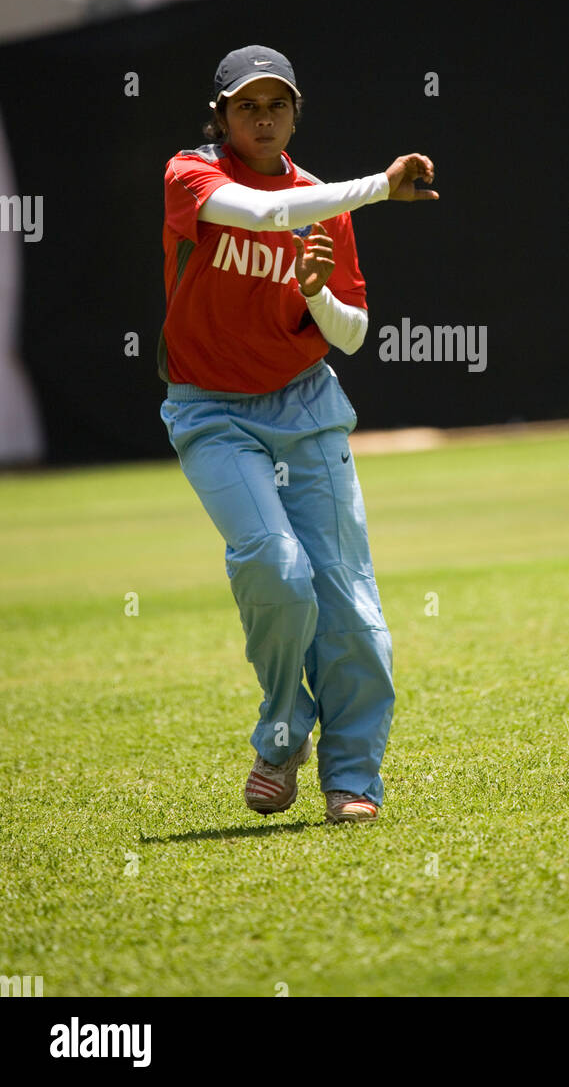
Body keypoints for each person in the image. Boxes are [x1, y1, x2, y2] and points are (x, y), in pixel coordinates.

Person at [158, 45, 438, 824]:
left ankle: (353, 779)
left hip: (307, 407)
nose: (263, 118)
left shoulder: (323, 200)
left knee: (353, 614)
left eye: (277, 104)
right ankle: (283, 734)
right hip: (212, 411)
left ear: (295, 112)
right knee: (277, 570)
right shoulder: (192, 173)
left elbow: (349, 335)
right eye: (247, 105)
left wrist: (314, 293)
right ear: (220, 115)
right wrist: (383, 186)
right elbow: (263, 214)